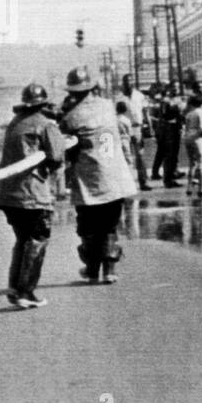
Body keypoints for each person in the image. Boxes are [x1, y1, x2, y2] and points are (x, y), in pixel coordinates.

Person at [58, 66, 137, 284]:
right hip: (114, 176)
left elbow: (64, 145)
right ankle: (110, 269)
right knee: (110, 224)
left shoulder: (71, 117)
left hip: (88, 179)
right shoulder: (108, 106)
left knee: (88, 226)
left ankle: (92, 270)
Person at [0, 84, 67, 309]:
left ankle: (15, 288)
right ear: (44, 105)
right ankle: (26, 291)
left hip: (8, 194)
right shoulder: (45, 125)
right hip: (32, 193)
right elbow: (56, 157)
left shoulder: (15, 123)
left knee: (23, 240)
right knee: (36, 240)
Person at [117, 74, 151, 190]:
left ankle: (143, 181)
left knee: (140, 156)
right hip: (124, 129)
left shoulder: (139, 96)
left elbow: (146, 112)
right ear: (123, 83)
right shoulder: (119, 97)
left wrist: (150, 127)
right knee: (126, 157)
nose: (128, 83)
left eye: (130, 81)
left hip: (137, 127)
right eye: (126, 81)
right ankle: (127, 183)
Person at [183, 95, 202, 197]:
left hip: (188, 137)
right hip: (197, 138)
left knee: (192, 163)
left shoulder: (189, 114)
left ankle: (189, 186)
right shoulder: (200, 113)